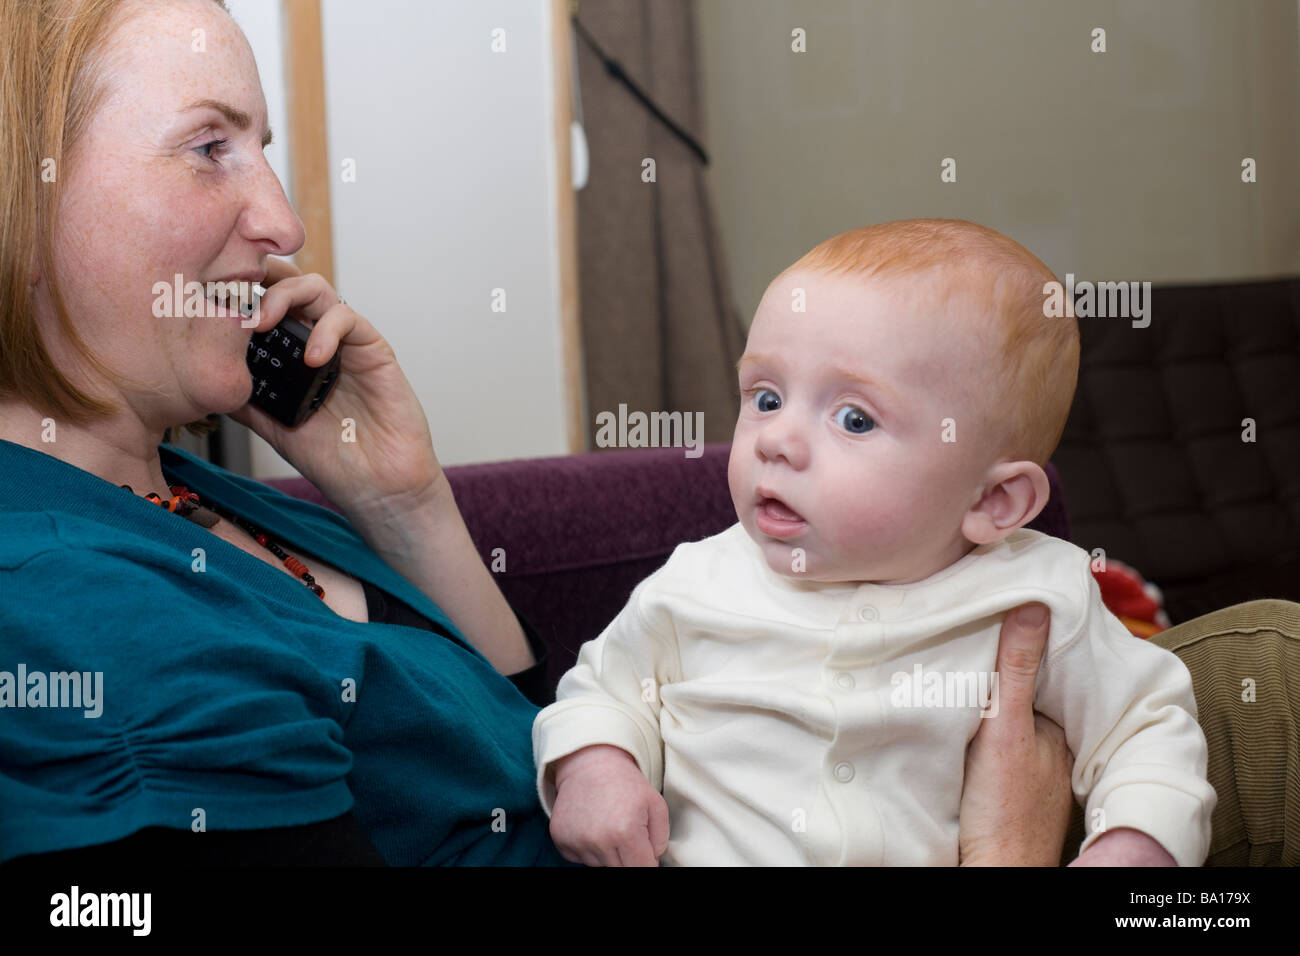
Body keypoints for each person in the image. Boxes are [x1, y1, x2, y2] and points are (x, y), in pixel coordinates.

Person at [0, 0, 1078, 867]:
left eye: (263, 148)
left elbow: (510, 745)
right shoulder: (81, 608)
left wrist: (404, 506)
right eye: (207, 146)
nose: (281, 218)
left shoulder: (172, 493)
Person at [535, 220, 1216, 866]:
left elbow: (1146, 725)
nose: (775, 439)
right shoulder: (694, 584)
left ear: (992, 502)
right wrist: (597, 767)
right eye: (766, 398)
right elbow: (600, 692)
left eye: (854, 418)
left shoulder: (1040, 595)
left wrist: (1135, 840)